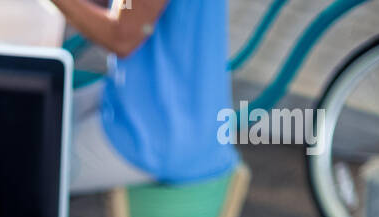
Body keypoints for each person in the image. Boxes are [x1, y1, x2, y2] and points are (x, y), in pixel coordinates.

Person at [52, 0, 239, 194]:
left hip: (163, 134)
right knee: (33, 119)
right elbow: (130, 10)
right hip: (168, 111)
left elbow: (122, 38)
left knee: (26, 165)